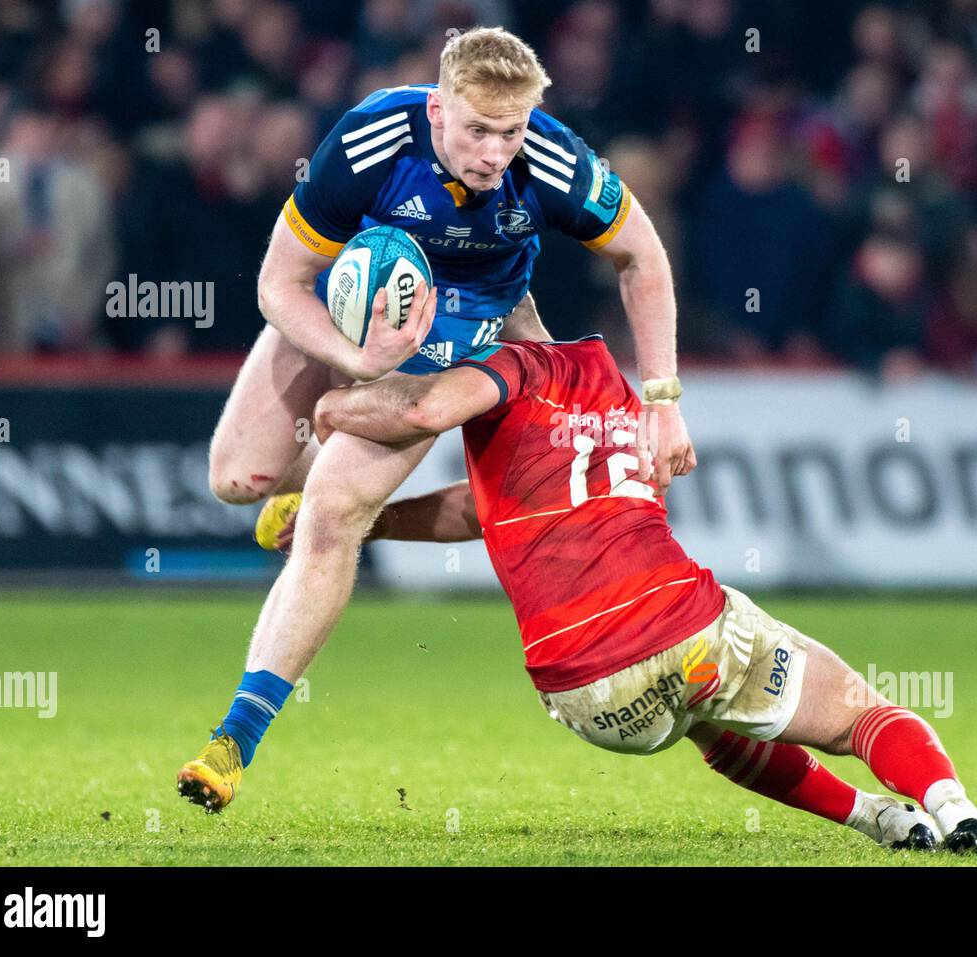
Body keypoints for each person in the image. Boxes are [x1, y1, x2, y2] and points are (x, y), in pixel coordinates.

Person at [179, 332, 977, 856]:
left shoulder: (512, 367)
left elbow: (429, 426)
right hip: (685, 630)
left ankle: (881, 826)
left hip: (585, 698)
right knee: (855, 710)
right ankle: (955, 809)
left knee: (709, 721)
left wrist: (334, 412)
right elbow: (465, 475)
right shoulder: (619, 398)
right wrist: (349, 467)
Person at [184, 27, 696, 794]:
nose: (496, 154)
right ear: (436, 109)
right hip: (345, 309)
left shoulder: (553, 160)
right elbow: (278, 284)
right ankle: (311, 467)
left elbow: (641, 255)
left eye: (511, 132)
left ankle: (234, 739)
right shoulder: (370, 141)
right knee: (235, 478)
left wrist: (662, 401)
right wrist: (357, 360)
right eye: (478, 131)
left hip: (475, 322)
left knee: (333, 512)